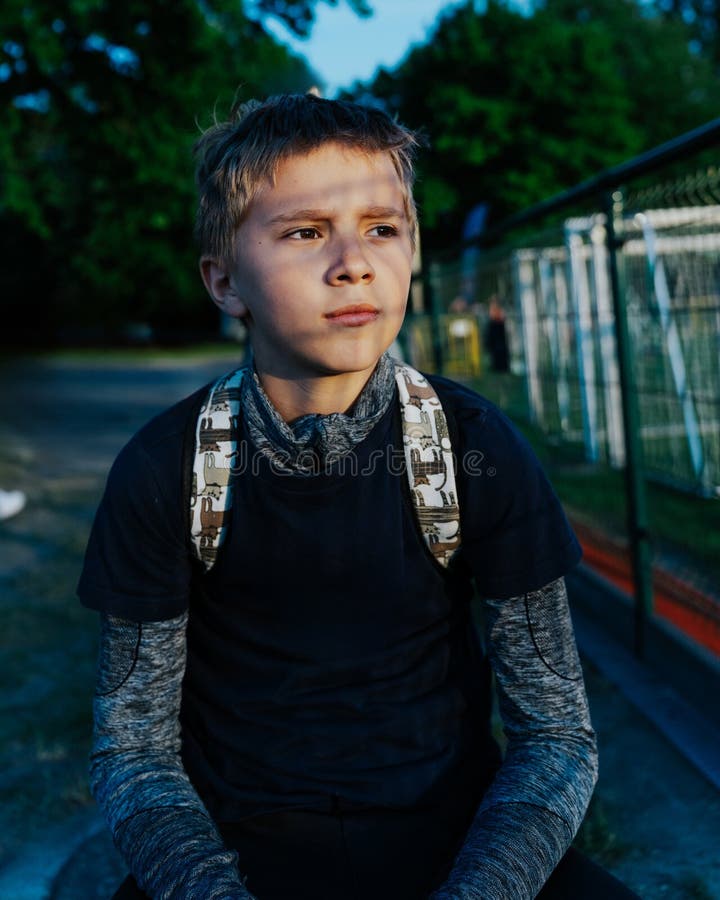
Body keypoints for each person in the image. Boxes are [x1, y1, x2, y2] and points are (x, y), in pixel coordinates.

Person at [77, 93, 639, 899]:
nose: (354, 261)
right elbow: (132, 752)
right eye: (306, 232)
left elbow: (555, 735)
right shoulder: (166, 469)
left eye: (382, 227)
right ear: (225, 281)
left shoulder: (473, 448)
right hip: (238, 857)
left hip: (458, 849)